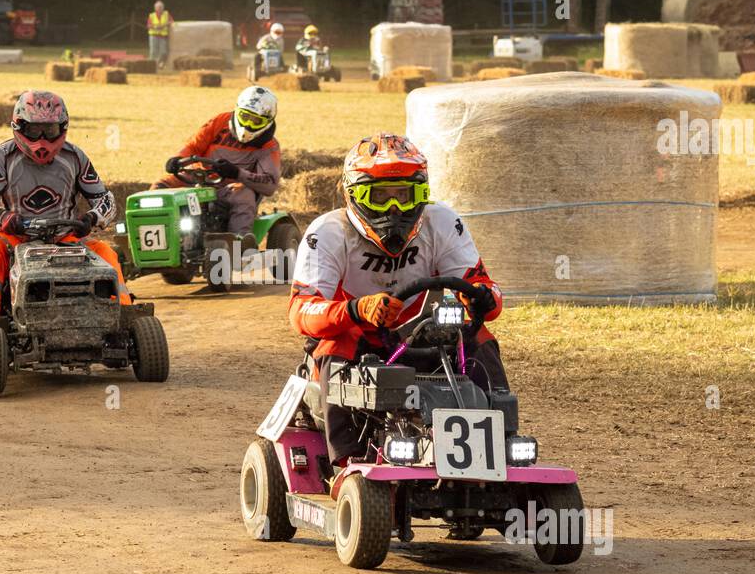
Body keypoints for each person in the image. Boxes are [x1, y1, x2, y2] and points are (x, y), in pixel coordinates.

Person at [289, 132, 507, 465]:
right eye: (381, 198)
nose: (394, 209)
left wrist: (485, 299)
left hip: (416, 333)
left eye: (404, 196)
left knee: (477, 336)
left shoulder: (443, 222)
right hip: (359, 341)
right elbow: (301, 311)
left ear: (421, 194)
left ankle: (499, 442)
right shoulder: (327, 233)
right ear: (355, 195)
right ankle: (348, 461)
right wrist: (357, 310)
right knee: (335, 343)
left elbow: (482, 285)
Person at [0, 90, 130, 319]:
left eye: (50, 130)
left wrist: (91, 219)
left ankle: (123, 315)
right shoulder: (2, 157)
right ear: (19, 127)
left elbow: (106, 200)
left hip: (64, 237)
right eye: (34, 130)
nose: (42, 140)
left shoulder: (74, 158)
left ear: (62, 128)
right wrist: (2, 217)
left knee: (105, 252)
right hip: (16, 236)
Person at [151, 86, 281, 243]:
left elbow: (269, 184)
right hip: (198, 178)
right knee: (161, 185)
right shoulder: (220, 122)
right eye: (244, 117)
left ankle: (238, 243)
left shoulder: (269, 146)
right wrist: (177, 159)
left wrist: (237, 173)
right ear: (236, 111)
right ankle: (152, 235)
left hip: (231, 189)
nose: (248, 125)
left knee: (244, 195)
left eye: (255, 121)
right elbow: (193, 146)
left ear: (267, 122)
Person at [146, 0, 172, 69]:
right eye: (158, 7)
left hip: (163, 36)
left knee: (164, 52)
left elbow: (171, 22)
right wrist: (155, 27)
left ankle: (159, 63)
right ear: (155, 8)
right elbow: (148, 25)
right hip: (153, 36)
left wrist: (164, 25)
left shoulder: (167, 14)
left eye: (161, 7)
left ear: (163, 8)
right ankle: (151, 66)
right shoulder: (151, 15)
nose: (160, 8)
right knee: (153, 52)